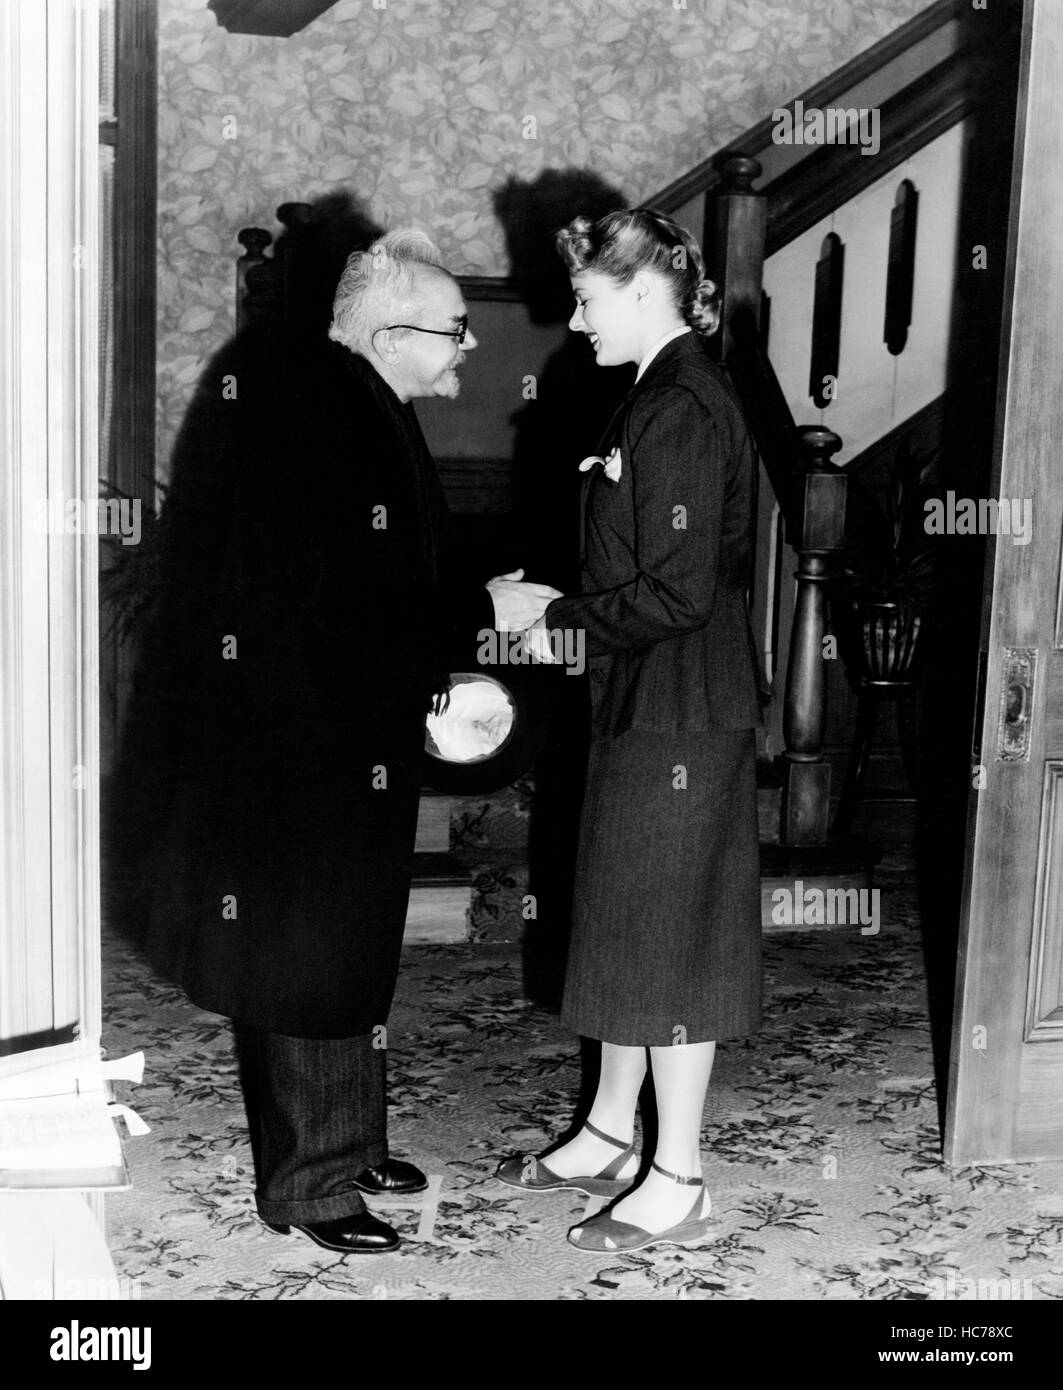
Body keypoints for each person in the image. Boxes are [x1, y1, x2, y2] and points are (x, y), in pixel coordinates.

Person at [119, 228, 558, 1254]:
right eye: (454, 332)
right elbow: (343, 595)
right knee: (309, 955)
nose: (466, 351)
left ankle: (350, 1143)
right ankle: (309, 1188)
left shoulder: (347, 399)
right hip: (299, 745)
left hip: (332, 732)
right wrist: (478, 606)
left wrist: (458, 612)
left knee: (350, 949)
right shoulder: (327, 411)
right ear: (389, 332)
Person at [497, 208, 763, 1252]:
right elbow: (643, 569)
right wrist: (560, 593)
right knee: (620, 912)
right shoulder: (652, 393)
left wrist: (554, 618)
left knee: (672, 937)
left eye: (587, 298)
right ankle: (611, 1127)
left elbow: (683, 593)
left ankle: (681, 1173)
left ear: (641, 291)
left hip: (681, 707)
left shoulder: (682, 405)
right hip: (641, 698)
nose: (574, 319)